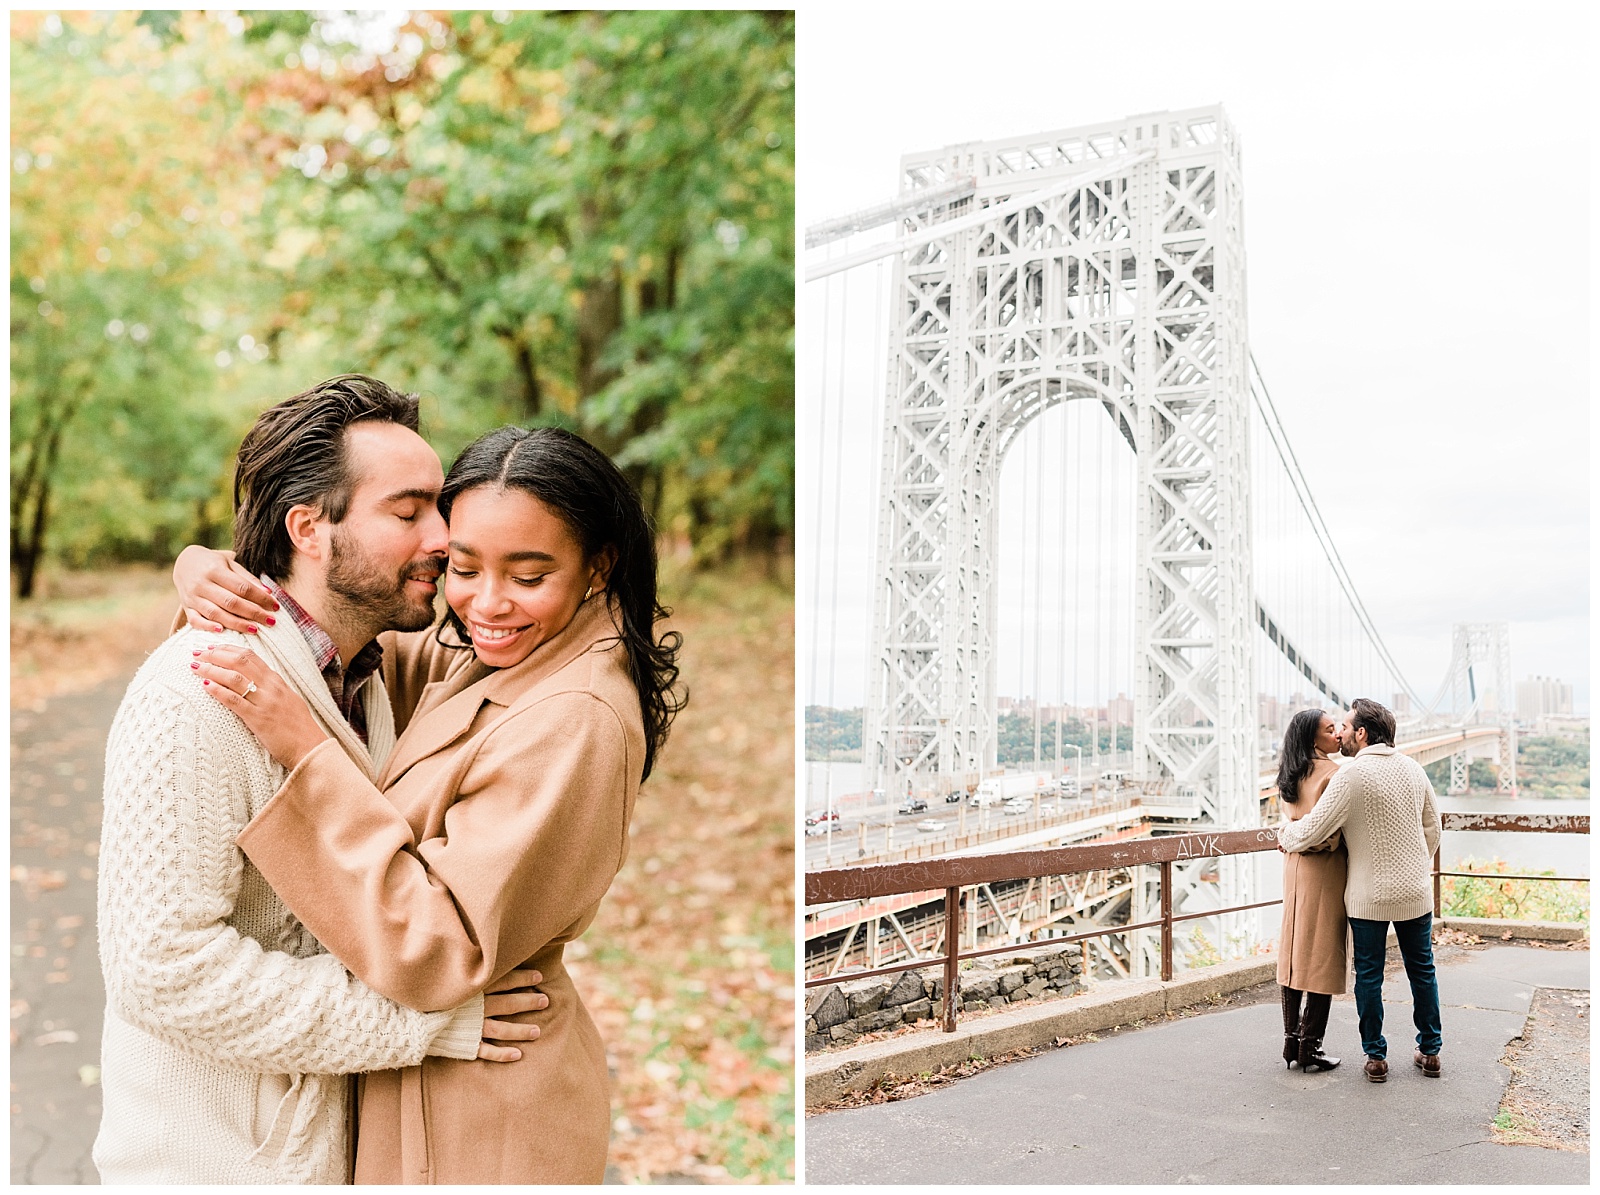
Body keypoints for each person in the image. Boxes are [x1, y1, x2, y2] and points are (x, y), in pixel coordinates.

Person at [175, 423, 684, 1183]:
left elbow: (439, 941)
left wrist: (303, 749)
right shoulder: (503, 654)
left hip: (485, 1103)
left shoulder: (576, 712)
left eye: (529, 573)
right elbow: (339, 636)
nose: (487, 602)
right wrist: (204, 570)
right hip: (437, 1078)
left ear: (597, 566)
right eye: (465, 566)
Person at [94, 377, 542, 1185]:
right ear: (309, 527)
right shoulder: (196, 696)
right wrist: (419, 1021)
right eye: (408, 512)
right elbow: (160, 970)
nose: (443, 536)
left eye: (438, 507)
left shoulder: (368, 679)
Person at [1278, 698, 1443, 1084]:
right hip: (1415, 892)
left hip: (1367, 895)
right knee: (1423, 972)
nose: (1342, 733)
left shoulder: (1350, 777)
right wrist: (1416, 864)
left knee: (1369, 976)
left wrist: (1284, 833)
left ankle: (1376, 1058)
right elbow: (1433, 829)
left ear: (1363, 733)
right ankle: (1431, 1052)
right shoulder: (1414, 769)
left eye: (1346, 727)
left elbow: (1312, 830)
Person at [1272, 708, 1347, 1073]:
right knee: (1321, 955)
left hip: (1293, 869)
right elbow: (1328, 836)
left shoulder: (1290, 774)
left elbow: (1293, 824)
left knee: (1293, 952)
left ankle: (1290, 1041)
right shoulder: (1333, 774)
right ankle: (1310, 1046)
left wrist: (1290, 837)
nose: (1338, 735)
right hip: (1324, 870)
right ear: (1313, 739)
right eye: (1330, 730)